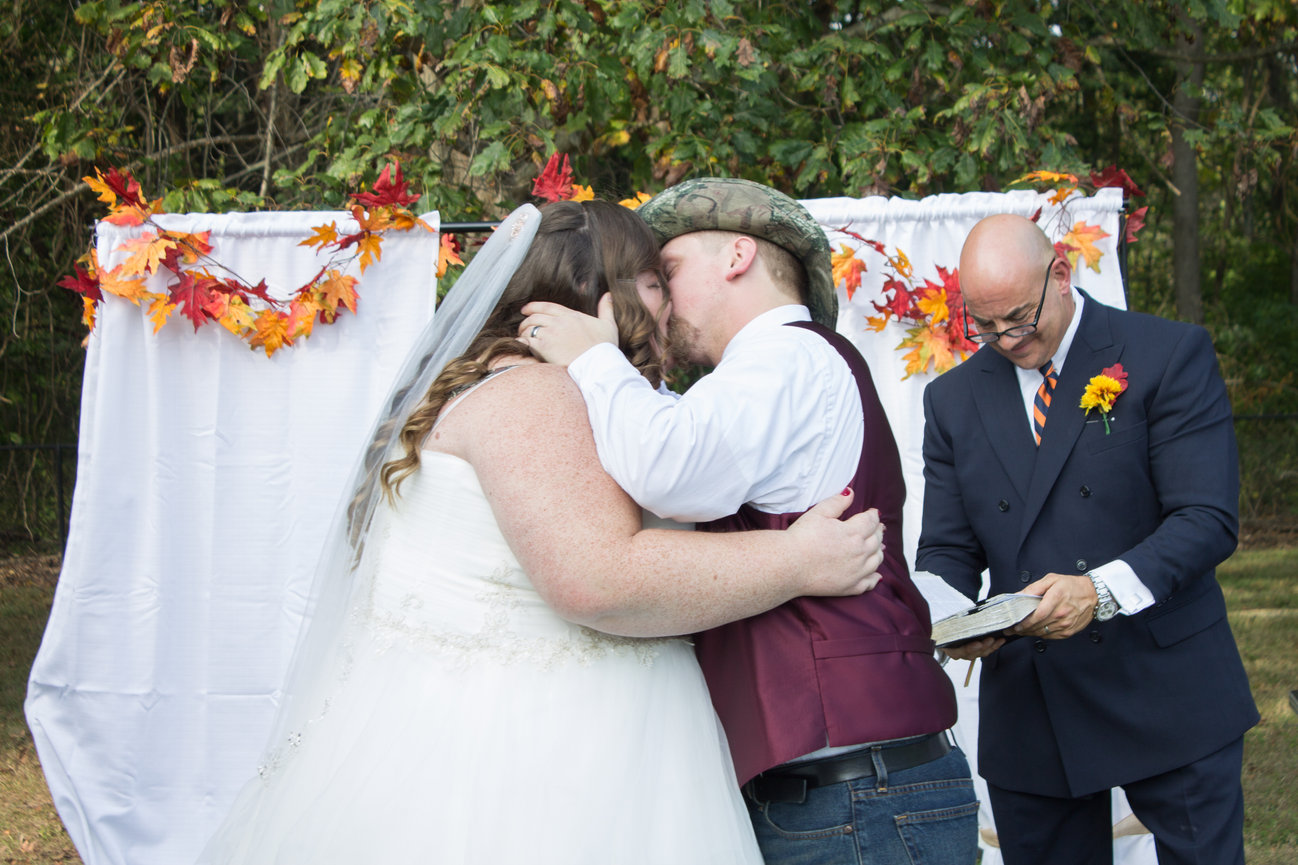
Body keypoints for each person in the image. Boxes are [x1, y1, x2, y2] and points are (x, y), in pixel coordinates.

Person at [196, 200, 889, 865]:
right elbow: (597, 578)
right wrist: (795, 559)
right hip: (529, 761)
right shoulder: (536, 394)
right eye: (652, 282)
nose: (667, 306)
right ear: (598, 290)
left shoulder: (526, 387)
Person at [519, 178, 978, 865]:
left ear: (737, 255)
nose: (662, 300)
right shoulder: (765, 373)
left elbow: (670, 470)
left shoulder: (787, 356)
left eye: (669, 271)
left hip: (855, 799)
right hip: (844, 795)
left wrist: (593, 356)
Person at [916, 213, 1259, 865]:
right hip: (1033, 700)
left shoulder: (1166, 354)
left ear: (1062, 275)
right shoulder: (952, 401)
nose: (1004, 339)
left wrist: (1098, 592)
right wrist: (951, 618)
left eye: (1018, 318)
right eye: (983, 326)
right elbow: (947, 550)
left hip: (1164, 682)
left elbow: (1205, 518)